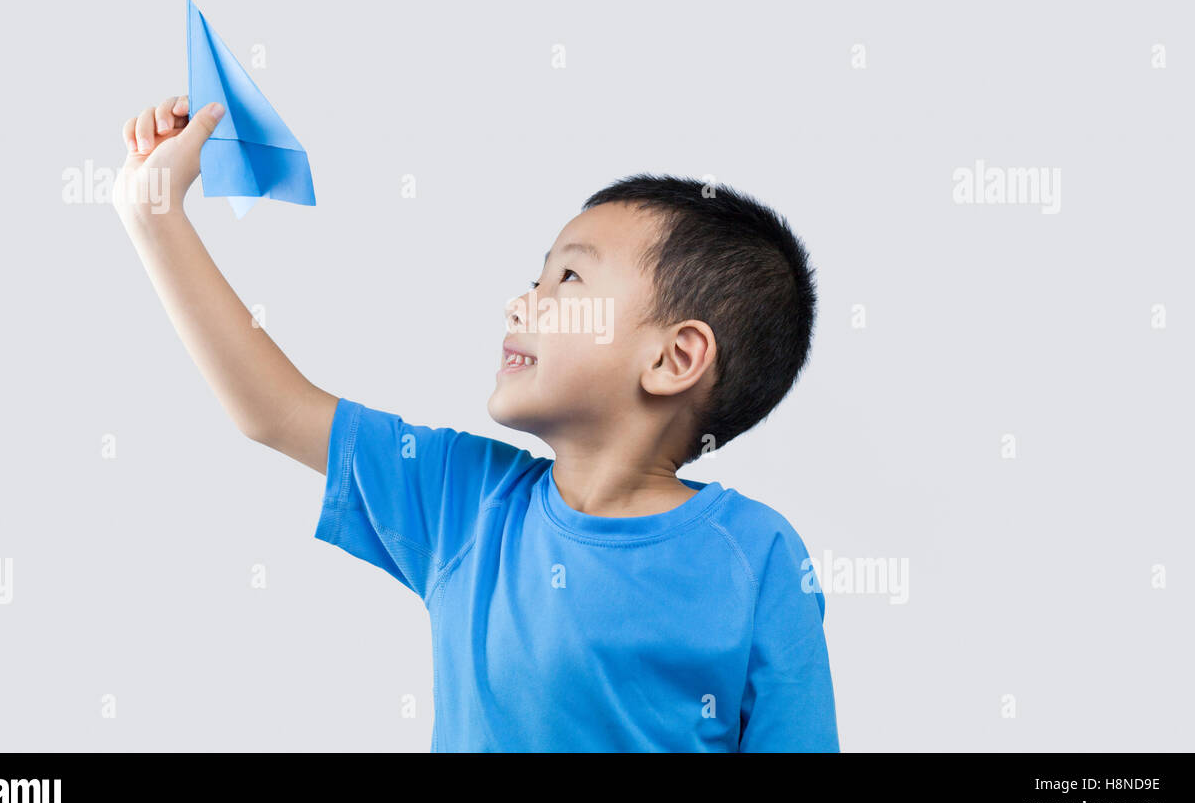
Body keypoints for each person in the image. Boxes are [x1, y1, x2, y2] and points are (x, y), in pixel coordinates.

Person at [111, 95, 840, 752]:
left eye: (569, 279)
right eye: (535, 277)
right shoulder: (464, 499)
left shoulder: (760, 557)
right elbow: (274, 409)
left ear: (676, 357)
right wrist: (155, 217)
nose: (520, 303)